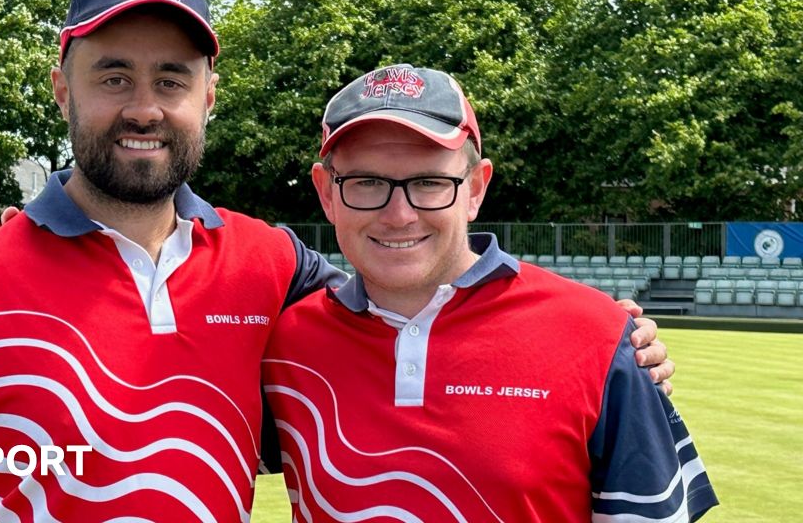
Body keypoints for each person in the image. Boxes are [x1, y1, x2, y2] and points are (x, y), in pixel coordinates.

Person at [0, 0, 670, 523]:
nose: (144, 107)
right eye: (113, 75)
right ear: (63, 92)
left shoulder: (272, 266)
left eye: (172, 80)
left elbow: (411, 281)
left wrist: (600, 339)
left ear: (208, 98)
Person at [262, 64, 718, 521]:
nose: (398, 214)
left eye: (429, 182)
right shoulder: (286, 345)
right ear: (326, 193)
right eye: (366, 183)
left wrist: (611, 346)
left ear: (475, 188)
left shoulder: (599, 335)